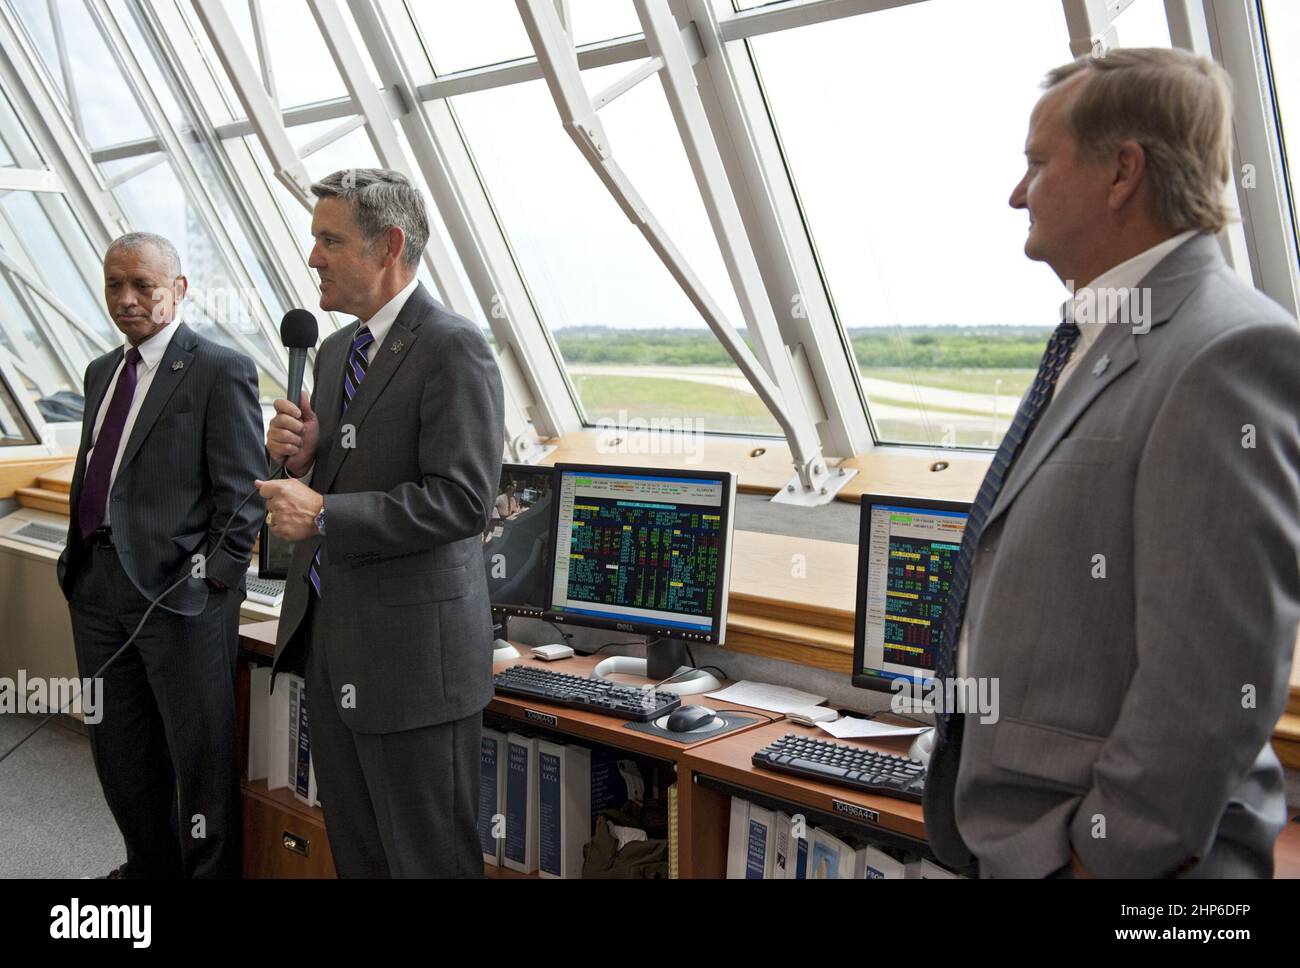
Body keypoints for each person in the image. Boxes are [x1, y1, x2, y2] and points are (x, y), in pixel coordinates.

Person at [923, 48, 1300, 878]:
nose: (1017, 194)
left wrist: (1099, 859)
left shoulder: (1228, 353)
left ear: (1122, 171)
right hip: (1025, 838)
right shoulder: (1102, 334)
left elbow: (1209, 681)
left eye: (1037, 164)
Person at [258, 169, 504, 877]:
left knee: (424, 864)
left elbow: (462, 502)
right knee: (361, 858)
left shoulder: (454, 348)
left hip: (414, 666)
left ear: (389, 245)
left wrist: (326, 512)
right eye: (315, 240)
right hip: (335, 645)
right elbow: (349, 474)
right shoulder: (336, 352)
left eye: (330, 240)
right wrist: (307, 458)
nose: (314, 258)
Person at [57, 232, 266, 878]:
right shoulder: (102, 371)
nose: (126, 299)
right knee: (119, 750)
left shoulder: (218, 370)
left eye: (142, 286)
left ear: (177, 290)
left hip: (181, 599)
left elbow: (243, 498)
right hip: (97, 587)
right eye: (114, 284)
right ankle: (146, 870)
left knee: (198, 763)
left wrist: (208, 587)